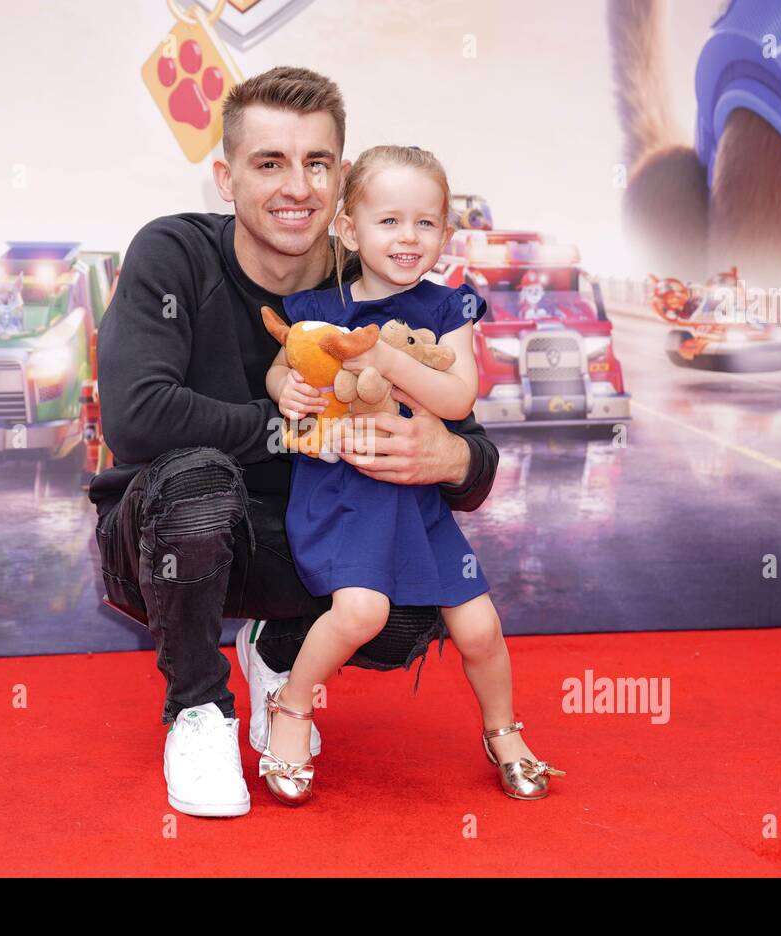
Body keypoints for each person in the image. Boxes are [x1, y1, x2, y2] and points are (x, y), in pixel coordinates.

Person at [89, 67, 499, 818]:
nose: (297, 187)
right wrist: (292, 429)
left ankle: (279, 651)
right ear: (226, 176)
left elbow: (469, 446)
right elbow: (137, 418)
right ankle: (198, 709)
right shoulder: (173, 253)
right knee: (198, 481)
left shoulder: (373, 280)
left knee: (413, 591)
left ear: (340, 178)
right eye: (269, 162)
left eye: (317, 163)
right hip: (162, 534)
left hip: (302, 540)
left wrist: (454, 458)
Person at [259, 145, 565, 806]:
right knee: (361, 612)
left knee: (480, 627)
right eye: (389, 221)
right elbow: (288, 365)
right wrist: (287, 390)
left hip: (415, 498)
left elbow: (456, 400)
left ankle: (503, 730)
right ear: (349, 229)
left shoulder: (451, 308)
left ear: (446, 235)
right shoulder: (315, 304)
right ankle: (291, 707)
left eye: (426, 223)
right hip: (341, 494)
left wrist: (385, 359)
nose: (408, 237)